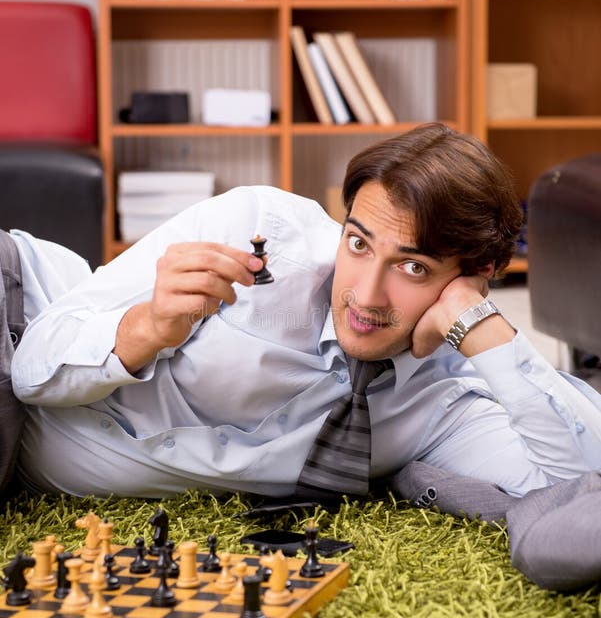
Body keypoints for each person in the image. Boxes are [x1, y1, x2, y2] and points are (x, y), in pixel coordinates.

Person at [10, 122, 601, 510]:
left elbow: (577, 490)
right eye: (359, 244)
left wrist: (480, 324)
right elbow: (32, 366)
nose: (366, 296)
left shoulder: (447, 403)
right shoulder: (255, 228)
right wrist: (147, 328)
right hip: (15, 308)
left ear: (478, 273)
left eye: (413, 268)